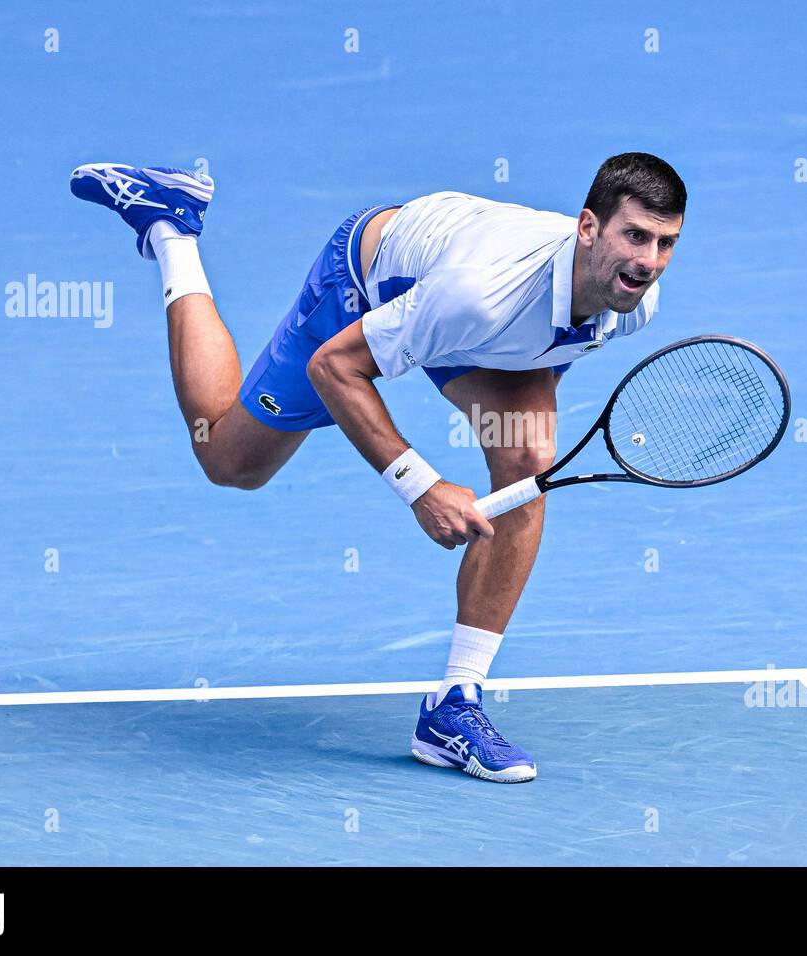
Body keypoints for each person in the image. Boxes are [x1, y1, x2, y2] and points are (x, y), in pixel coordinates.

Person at [69, 152, 686, 782]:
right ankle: (171, 228)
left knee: (527, 464)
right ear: (588, 227)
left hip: (473, 322)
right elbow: (336, 368)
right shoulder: (477, 295)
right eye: (634, 235)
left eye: (665, 243)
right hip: (374, 286)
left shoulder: (633, 302)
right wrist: (421, 486)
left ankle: (455, 705)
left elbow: (537, 347)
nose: (648, 260)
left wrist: (512, 438)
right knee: (229, 459)